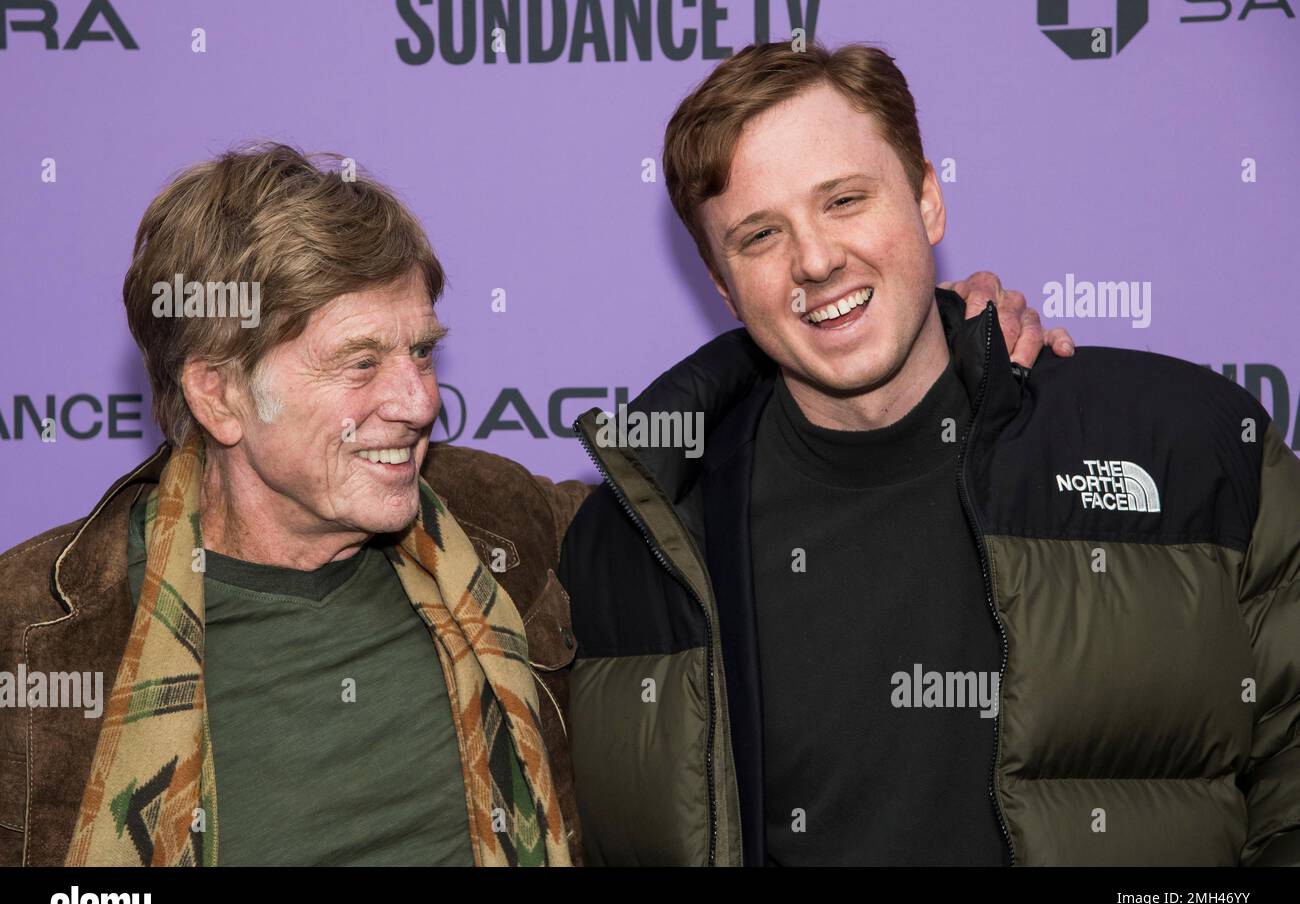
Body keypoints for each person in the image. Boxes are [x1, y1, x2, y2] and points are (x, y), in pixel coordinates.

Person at [0, 142, 1052, 866]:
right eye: (358, 362)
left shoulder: (506, 525)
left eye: (420, 349)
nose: (417, 401)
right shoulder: (38, 627)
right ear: (218, 394)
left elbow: (767, 499)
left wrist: (923, 353)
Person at [558, 41, 1300, 866]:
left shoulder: (1191, 445)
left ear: (928, 199)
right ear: (722, 284)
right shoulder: (643, 545)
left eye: (844, 200)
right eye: (760, 235)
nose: (815, 259)